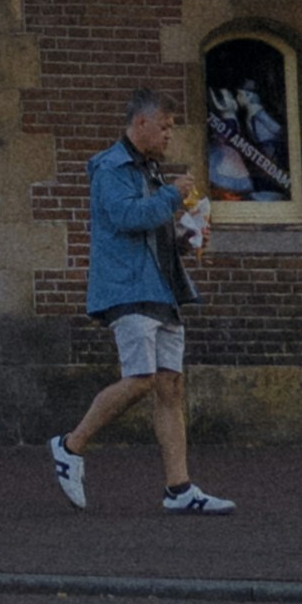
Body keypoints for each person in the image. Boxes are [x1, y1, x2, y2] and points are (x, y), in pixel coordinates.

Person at [48, 92, 233, 519]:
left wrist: (187, 239)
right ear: (142, 124)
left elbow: (150, 230)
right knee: (142, 378)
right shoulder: (111, 168)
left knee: (171, 386)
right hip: (127, 291)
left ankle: (179, 488)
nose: (170, 134)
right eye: (166, 125)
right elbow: (125, 218)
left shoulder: (150, 170)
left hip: (162, 291)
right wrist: (171, 198)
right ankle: (70, 445)